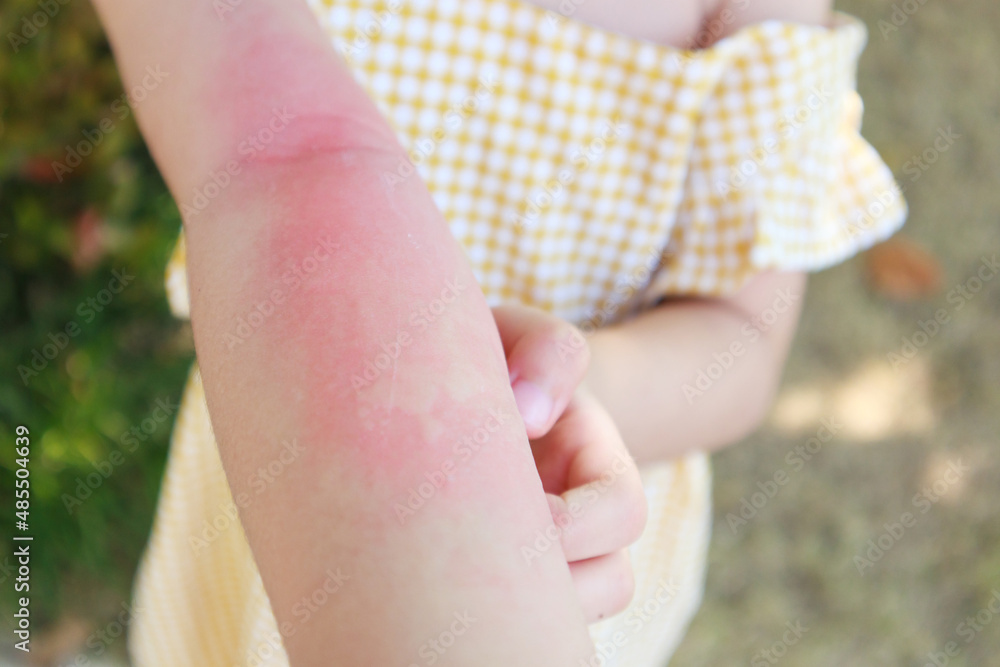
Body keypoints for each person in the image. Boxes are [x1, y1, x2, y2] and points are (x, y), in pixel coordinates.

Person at [90, 0, 906, 664]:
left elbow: (741, 339)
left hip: (542, 512)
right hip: (281, 440)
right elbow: (271, 148)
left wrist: (569, 390)